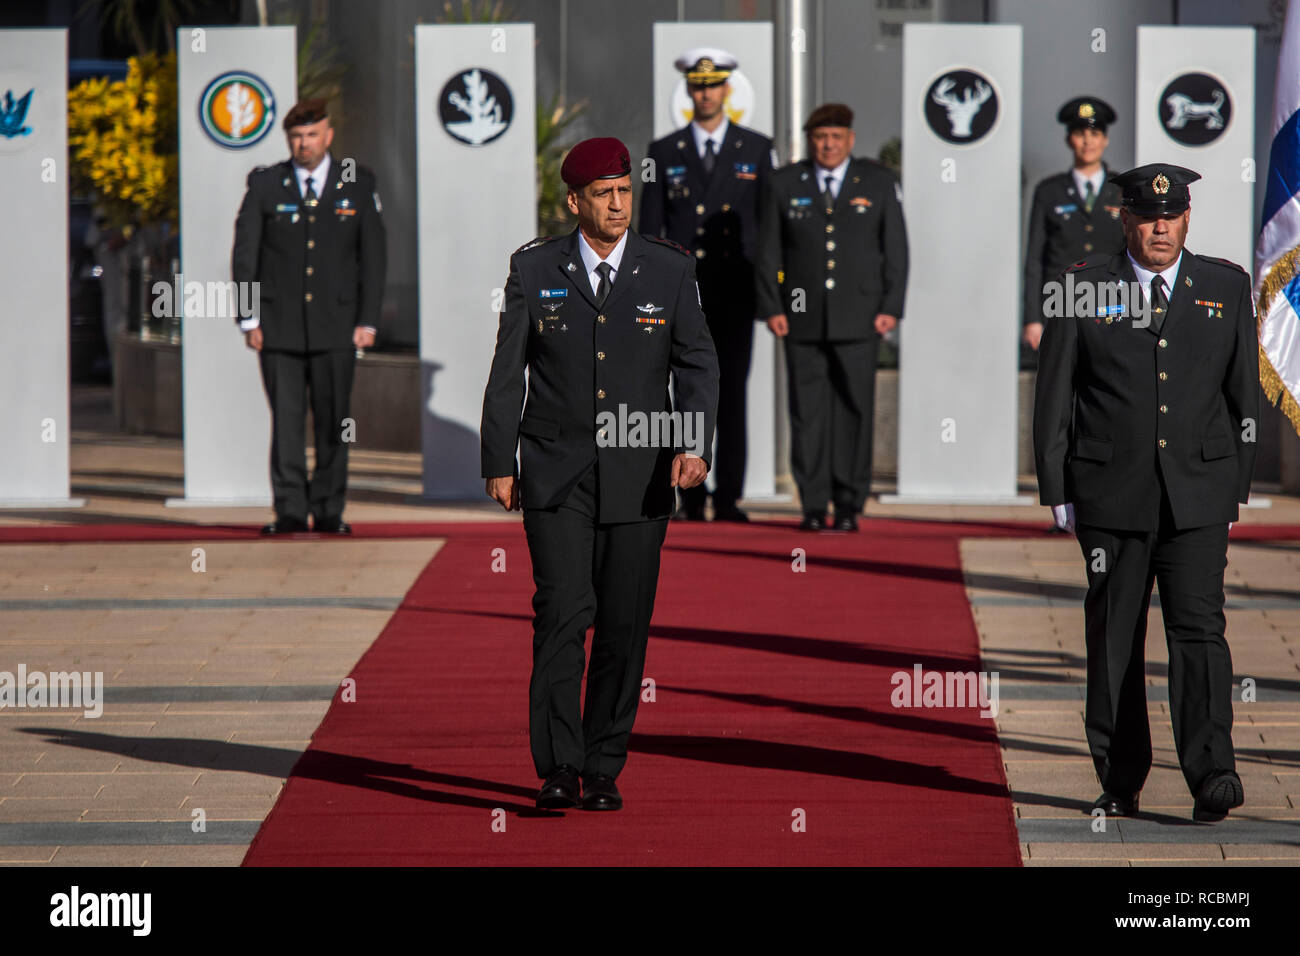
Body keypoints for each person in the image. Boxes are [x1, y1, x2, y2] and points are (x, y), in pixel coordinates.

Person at [480, 137, 719, 811]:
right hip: (555, 473)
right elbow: (508, 372)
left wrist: (693, 442)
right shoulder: (533, 268)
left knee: (624, 623)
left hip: (641, 472)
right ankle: (558, 766)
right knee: (561, 613)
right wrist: (499, 460)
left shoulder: (669, 269)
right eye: (604, 193)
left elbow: (698, 364)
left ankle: (603, 765)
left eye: (624, 191)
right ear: (575, 201)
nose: (618, 203)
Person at [1033, 163, 1259, 823]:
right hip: (1109, 492)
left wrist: (1235, 481)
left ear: (1186, 219)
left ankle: (1213, 771)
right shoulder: (1079, 288)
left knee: (1199, 631)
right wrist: (1057, 487)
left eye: (1171, 215)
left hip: (1198, 493)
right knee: (1115, 638)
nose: (1160, 226)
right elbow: (1055, 395)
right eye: (1147, 215)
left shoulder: (1225, 284)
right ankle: (1120, 776)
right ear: (1125, 219)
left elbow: (1242, 392)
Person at [232, 98, 386, 535]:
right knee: (285, 422)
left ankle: (330, 510)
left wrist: (368, 320)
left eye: (312, 135)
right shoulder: (266, 184)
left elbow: (373, 257)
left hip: (338, 326)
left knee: (336, 422)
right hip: (277, 327)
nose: (304, 144)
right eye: (296, 137)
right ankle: (290, 511)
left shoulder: (358, 183)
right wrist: (249, 319)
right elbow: (246, 256)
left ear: (328, 135)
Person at [755, 103, 908, 531]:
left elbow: (895, 248)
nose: (828, 145)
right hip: (800, 318)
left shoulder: (876, 182)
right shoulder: (785, 183)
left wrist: (891, 306)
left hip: (861, 317)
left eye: (836, 137)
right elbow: (769, 251)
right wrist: (771, 306)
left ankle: (848, 504)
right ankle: (812, 504)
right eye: (821, 137)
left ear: (850, 140)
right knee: (807, 413)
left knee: (854, 411)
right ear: (811, 141)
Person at [640, 47, 775, 521]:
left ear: (727, 89)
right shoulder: (663, 151)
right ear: (689, 90)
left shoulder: (758, 149)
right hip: (683, 295)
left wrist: (771, 294)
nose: (706, 93)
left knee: (733, 390)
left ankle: (730, 496)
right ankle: (689, 492)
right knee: (684, 391)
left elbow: (767, 227)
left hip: (736, 291)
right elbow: (652, 232)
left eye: (714, 85)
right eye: (698, 86)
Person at [1023, 96, 1124, 352]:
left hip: (1112, 303)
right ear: (1069, 139)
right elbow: (1034, 259)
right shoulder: (1049, 191)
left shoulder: (1122, 190)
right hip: (1060, 304)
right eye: (1080, 133)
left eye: (1094, 133)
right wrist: (1033, 319)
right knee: (1058, 384)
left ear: (1105, 139)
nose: (1087, 141)